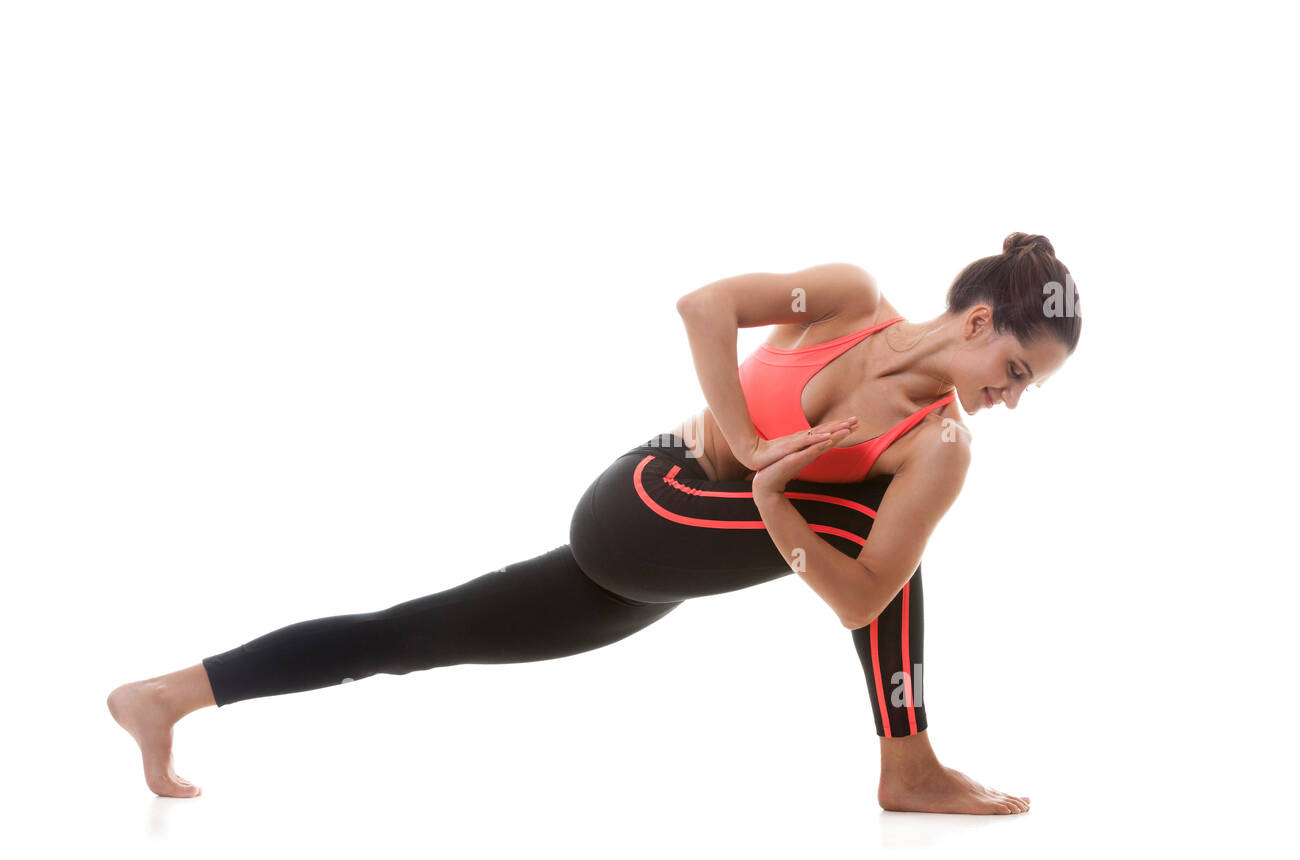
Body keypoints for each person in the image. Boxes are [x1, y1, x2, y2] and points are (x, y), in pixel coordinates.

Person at [108, 232, 1080, 814]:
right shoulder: (847, 300)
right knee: (872, 512)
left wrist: (774, 501)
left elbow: (865, 594)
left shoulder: (937, 446)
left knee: (416, 633)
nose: (1011, 398)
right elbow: (704, 306)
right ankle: (907, 763)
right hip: (646, 499)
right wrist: (747, 451)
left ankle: (170, 693)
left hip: (658, 572)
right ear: (973, 323)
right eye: (1016, 371)